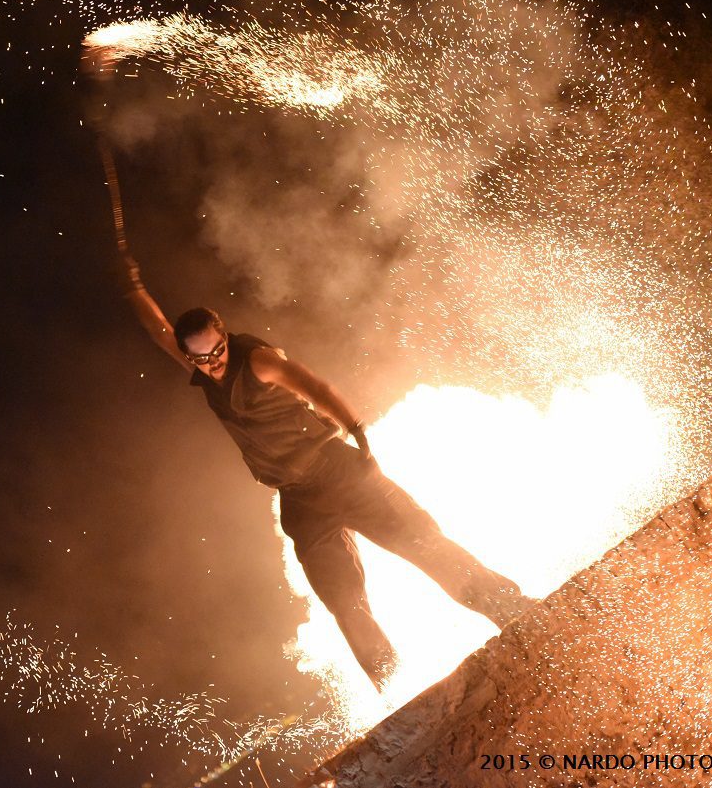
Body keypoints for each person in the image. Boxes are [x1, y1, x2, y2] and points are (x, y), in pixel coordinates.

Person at [114, 253, 537, 690]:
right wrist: (134, 288)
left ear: (224, 335)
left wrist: (356, 430)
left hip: (338, 473)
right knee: (343, 601)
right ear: (191, 356)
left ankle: (511, 607)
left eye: (218, 350)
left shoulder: (258, 360)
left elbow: (317, 388)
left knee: (420, 544)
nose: (213, 362)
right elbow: (160, 331)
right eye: (202, 358)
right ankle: (394, 685)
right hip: (299, 499)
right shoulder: (202, 371)